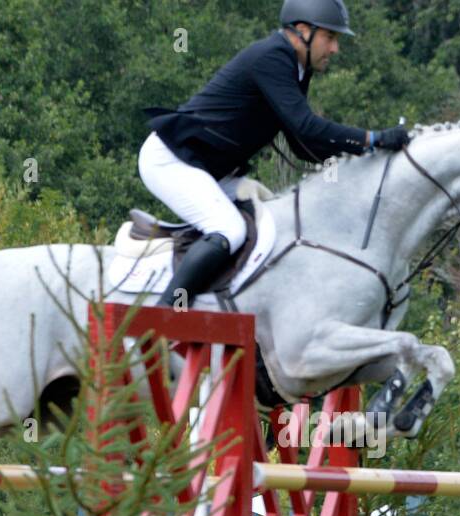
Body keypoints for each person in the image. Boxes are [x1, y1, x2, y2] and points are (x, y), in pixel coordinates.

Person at [139, 0, 411, 308]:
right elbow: (306, 127)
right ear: (303, 31)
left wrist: (364, 165)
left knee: (276, 226)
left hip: (208, 169)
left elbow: (300, 144)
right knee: (228, 229)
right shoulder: (272, 57)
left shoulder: (297, 67)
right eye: (330, 38)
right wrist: (372, 139)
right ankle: (163, 316)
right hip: (171, 160)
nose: (335, 49)